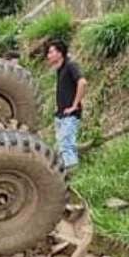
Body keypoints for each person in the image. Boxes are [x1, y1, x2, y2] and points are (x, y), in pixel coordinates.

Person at [45, 40, 85, 171]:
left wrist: (74, 105)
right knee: (62, 146)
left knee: (67, 146)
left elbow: (82, 82)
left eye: (51, 52)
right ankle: (66, 173)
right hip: (61, 114)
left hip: (70, 114)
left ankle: (73, 174)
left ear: (60, 53)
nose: (48, 56)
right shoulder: (60, 69)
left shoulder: (70, 65)